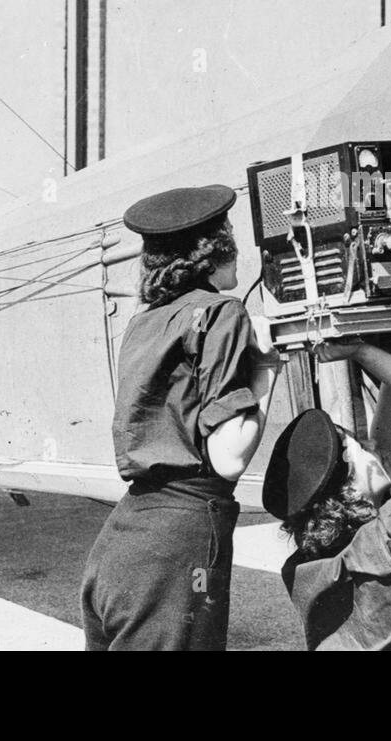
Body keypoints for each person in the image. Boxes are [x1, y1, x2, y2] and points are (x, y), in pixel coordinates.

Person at [81, 183, 279, 650]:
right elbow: (228, 458)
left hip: (120, 545)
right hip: (178, 545)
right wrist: (267, 368)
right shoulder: (221, 314)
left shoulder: (144, 322)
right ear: (216, 249)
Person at [263, 339, 391, 650]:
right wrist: (360, 351)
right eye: (362, 449)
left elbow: (384, 457)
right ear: (350, 489)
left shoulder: (305, 565)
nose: (373, 448)